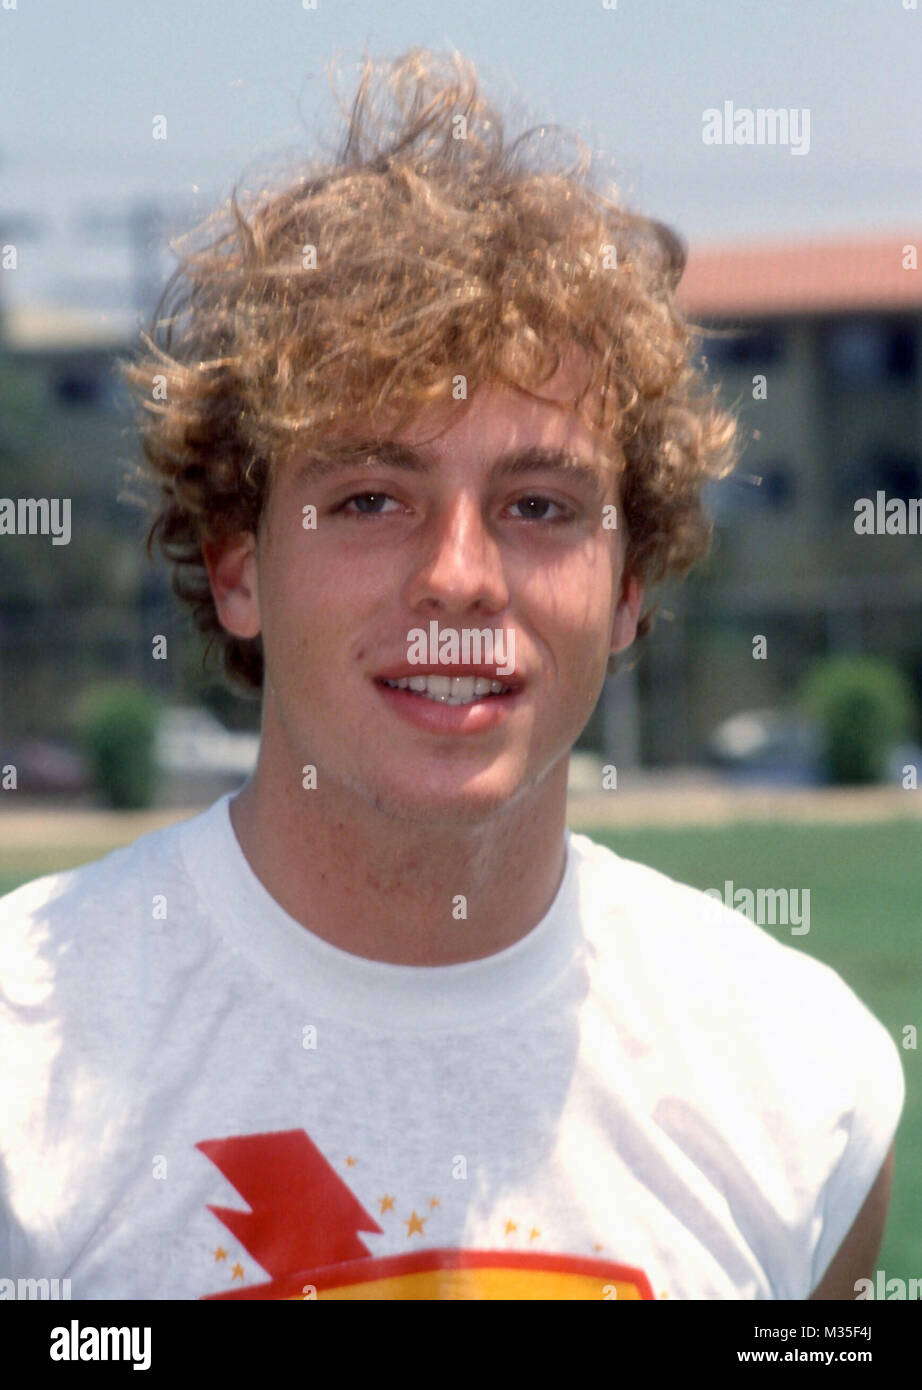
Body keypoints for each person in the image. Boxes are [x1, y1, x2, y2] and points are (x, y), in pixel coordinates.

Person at [0, 47, 903, 1301]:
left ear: (630, 583)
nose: (460, 576)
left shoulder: (804, 1091)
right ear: (237, 566)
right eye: (369, 497)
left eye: (539, 504)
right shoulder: (22, 1065)